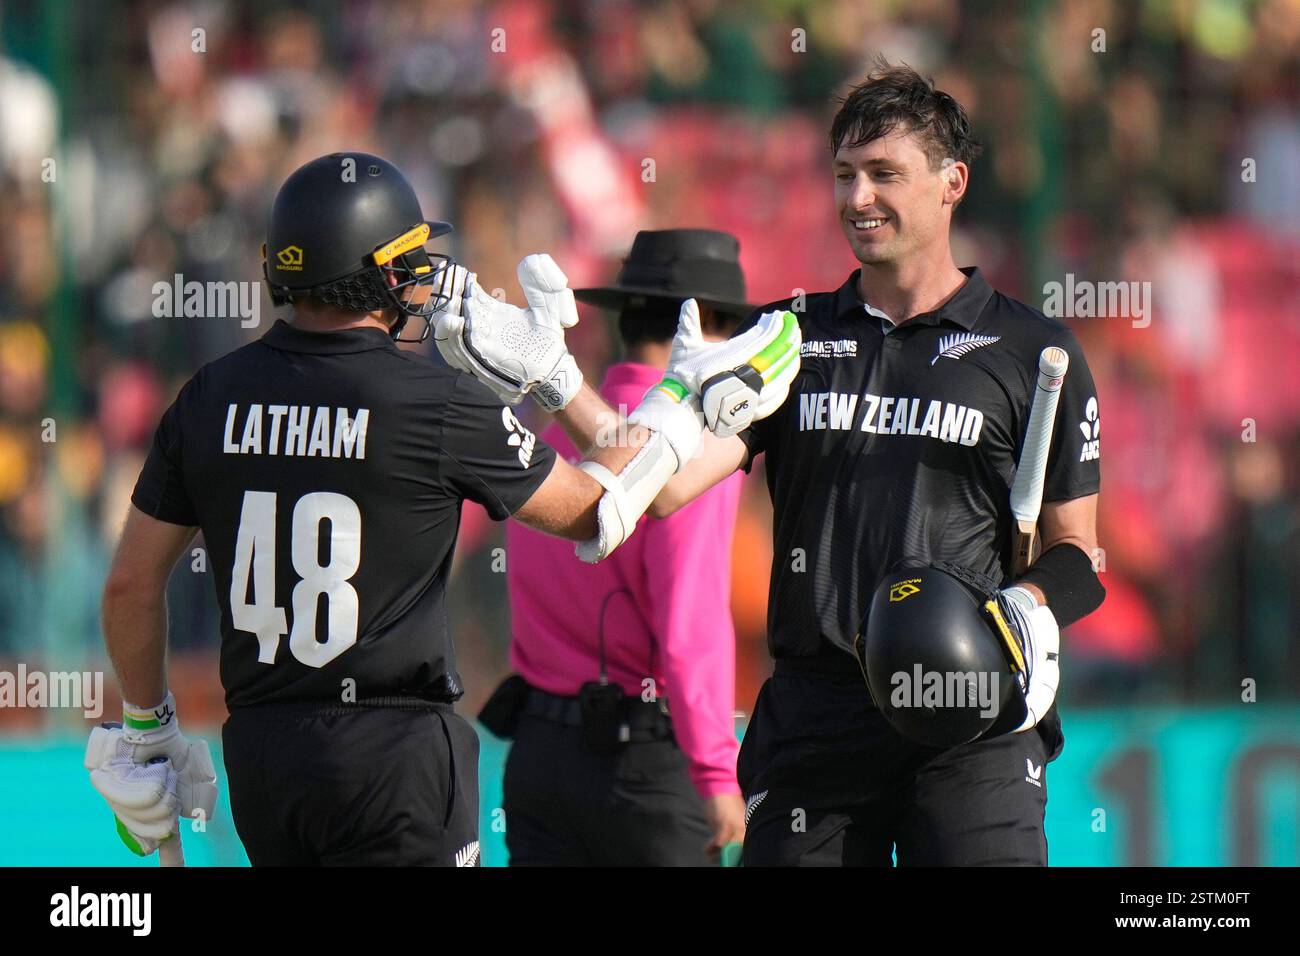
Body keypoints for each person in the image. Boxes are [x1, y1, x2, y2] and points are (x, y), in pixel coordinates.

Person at [442, 61, 1106, 866]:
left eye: (883, 174)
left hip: (970, 720)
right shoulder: (783, 336)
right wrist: (558, 382)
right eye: (844, 175)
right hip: (816, 722)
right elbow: (658, 486)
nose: (857, 198)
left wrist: (1024, 609)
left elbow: (1081, 554)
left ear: (952, 182)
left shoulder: (1034, 350)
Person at [85, 152, 801, 866]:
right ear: (383, 271)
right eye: (409, 260)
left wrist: (146, 731)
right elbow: (594, 512)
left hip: (265, 755)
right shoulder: (434, 403)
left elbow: (130, 584)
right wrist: (656, 398)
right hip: (395, 760)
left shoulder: (208, 397)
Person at [498, 229, 751, 866]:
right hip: (642, 770)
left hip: (538, 756)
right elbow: (688, 624)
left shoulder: (545, 424)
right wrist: (718, 774)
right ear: (709, 324)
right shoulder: (690, 443)